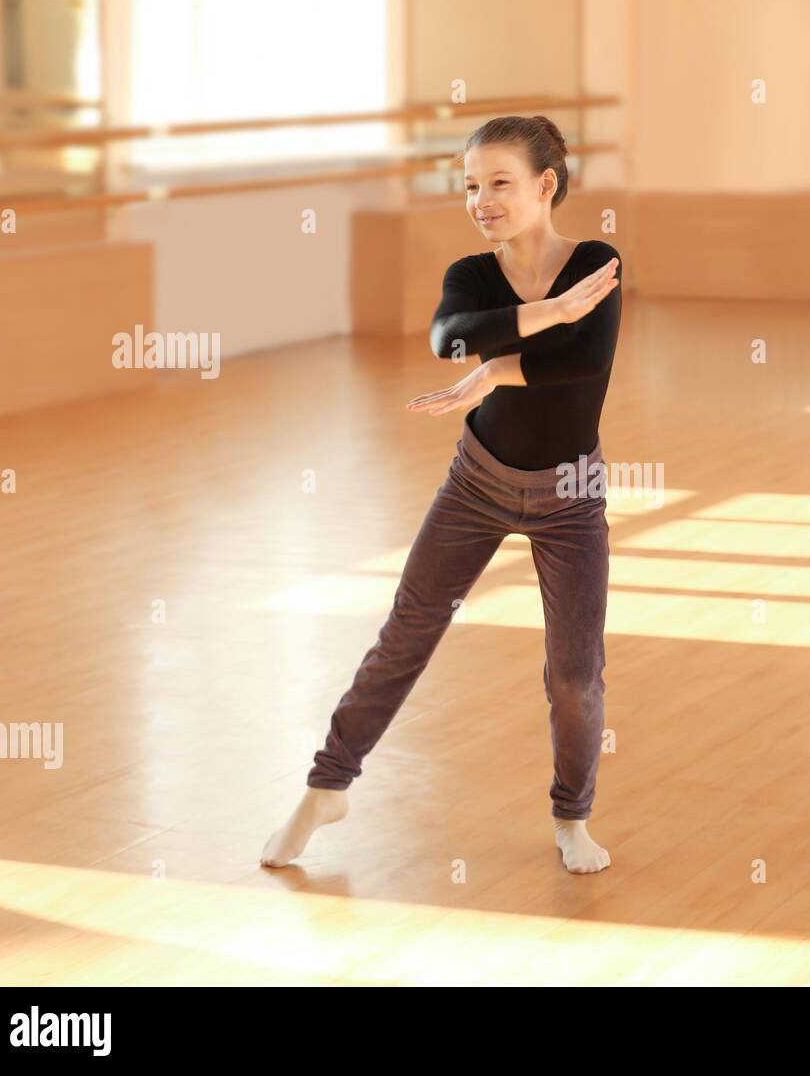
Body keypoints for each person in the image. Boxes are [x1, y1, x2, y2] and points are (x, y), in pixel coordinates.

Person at [262, 115, 622, 874]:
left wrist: (496, 367)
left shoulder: (596, 261)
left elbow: (582, 366)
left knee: (573, 674)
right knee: (406, 633)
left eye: (499, 183)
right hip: (479, 481)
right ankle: (327, 786)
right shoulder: (472, 274)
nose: (480, 199)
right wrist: (547, 316)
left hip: (571, 494)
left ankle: (572, 813)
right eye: (469, 185)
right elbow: (448, 338)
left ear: (545, 186)